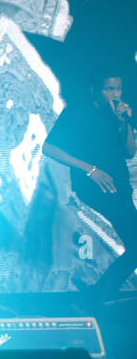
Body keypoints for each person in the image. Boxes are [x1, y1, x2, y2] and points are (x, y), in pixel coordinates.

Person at [44, 70, 137, 305]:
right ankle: (97, 296)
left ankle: (96, 296)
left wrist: (124, 122)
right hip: (95, 186)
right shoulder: (77, 112)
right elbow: (49, 147)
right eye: (109, 89)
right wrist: (90, 169)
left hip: (119, 186)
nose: (115, 94)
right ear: (94, 90)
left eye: (118, 89)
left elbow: (129, 152)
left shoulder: (116, 115)